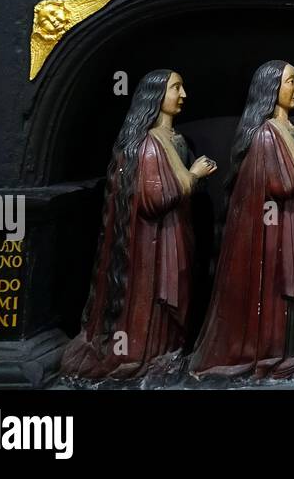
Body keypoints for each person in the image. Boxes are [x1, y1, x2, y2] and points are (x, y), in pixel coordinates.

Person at [60, 70, 215, 379]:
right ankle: (150, 356)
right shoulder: (148, 146)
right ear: (155, 96)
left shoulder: (170, 140)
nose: (182, 94)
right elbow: (155, 199)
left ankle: (167, 353)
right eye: (175, 88)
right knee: (158, 296)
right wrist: (194, 175)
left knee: (178, 294)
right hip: (153, 243)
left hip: (175, 234)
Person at [189, 61, 294, 378]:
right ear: (272, 88)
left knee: (292, 300)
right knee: (278, 292)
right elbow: (287, 182)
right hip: (274, 236)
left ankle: (287, 353)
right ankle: (273, 356)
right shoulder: (265, 136)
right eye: (291, 80)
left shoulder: (288, 131)